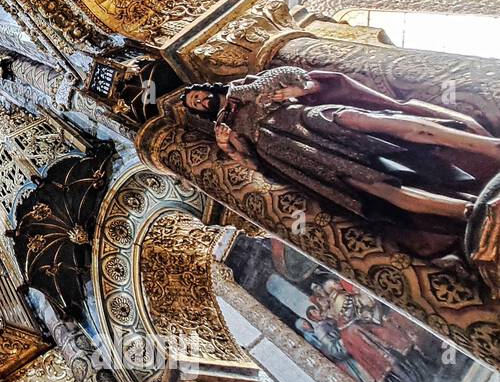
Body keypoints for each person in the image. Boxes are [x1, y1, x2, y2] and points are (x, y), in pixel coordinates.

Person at [181, 66, 500, 257]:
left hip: (307, 121)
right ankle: (469, 212)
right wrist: (231, 148)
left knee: (366, 119)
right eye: (195, 105)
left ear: (208, 88)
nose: (200, 100)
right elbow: (253, 165)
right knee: (374, 188)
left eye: (197, 94)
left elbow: (304, 81)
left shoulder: (249, 85)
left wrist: (296, 89)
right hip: (292, 156)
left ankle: (488, 147)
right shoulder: (227, 128)